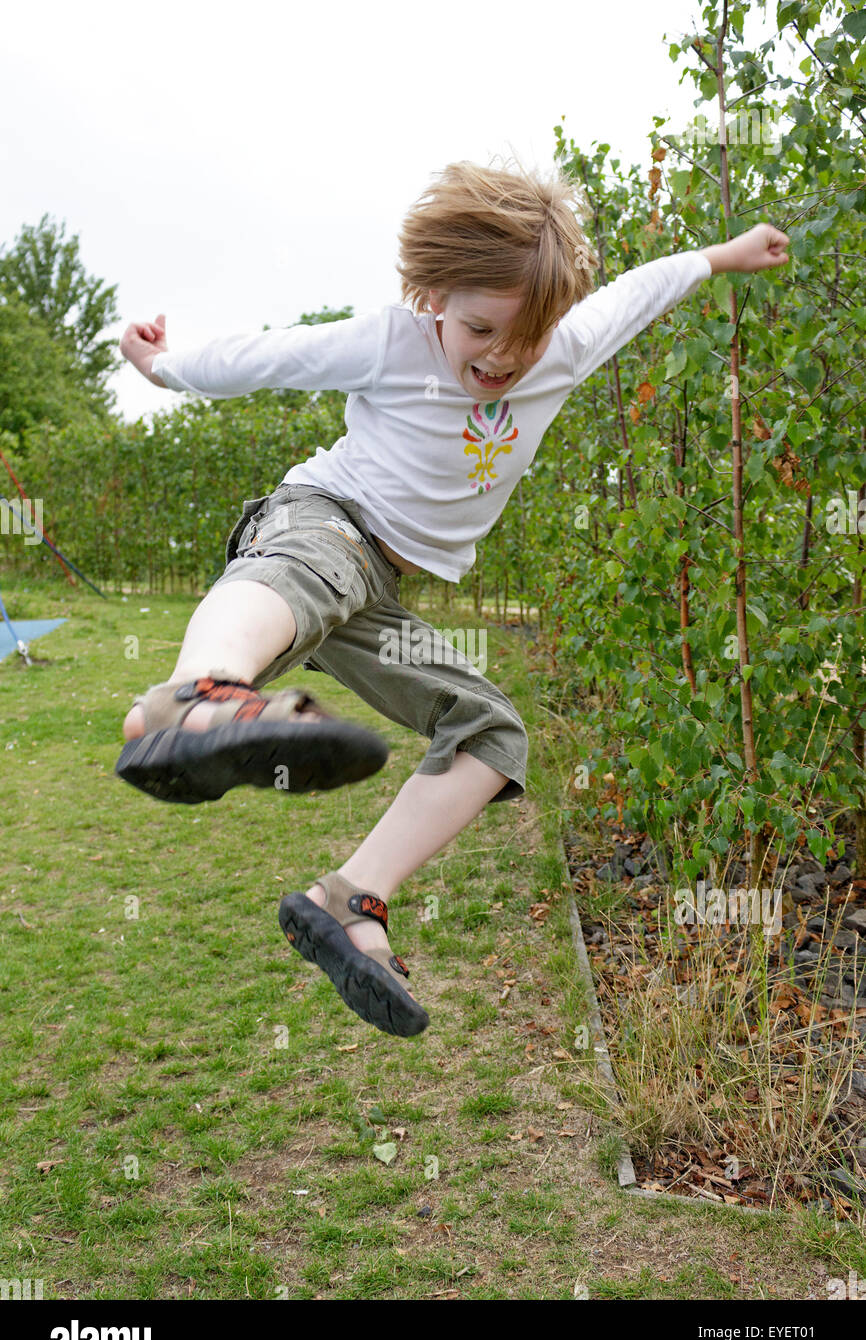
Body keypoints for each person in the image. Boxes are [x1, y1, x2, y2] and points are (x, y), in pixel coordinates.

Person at [117, 158, 790, 1039]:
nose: (505, 358)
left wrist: (727, 254)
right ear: (432, 296)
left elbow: (642, 288)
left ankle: (348, 900)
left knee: (492, 731)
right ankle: (198, 695)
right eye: (480, 329)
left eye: (529, 339)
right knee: (309, 571)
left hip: (378, 595)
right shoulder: (392, 340)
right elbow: (272, 358)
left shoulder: (568, 347)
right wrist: (164, 367)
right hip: (324, 518)